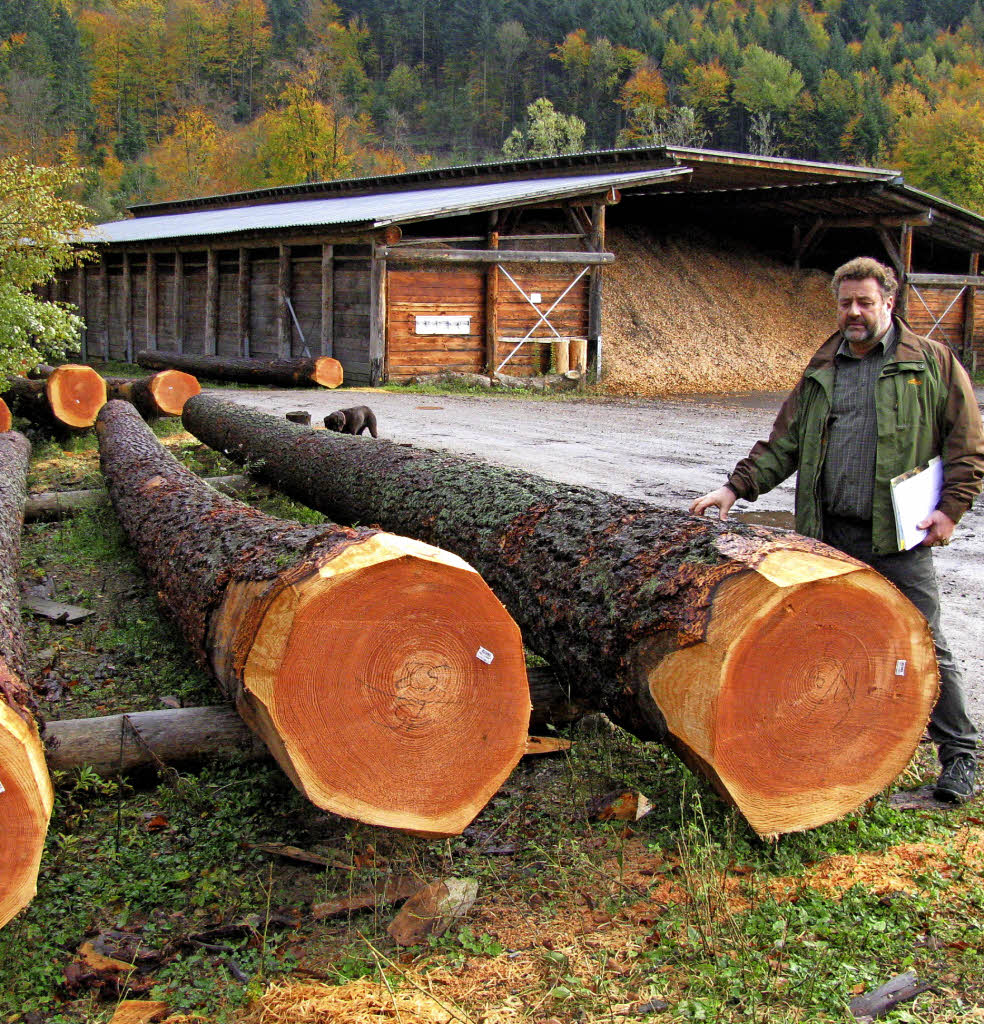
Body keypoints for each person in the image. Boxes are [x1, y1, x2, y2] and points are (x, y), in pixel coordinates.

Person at [690, 256, 984, 803]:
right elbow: (785, 443)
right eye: (845, 302)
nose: (853, 312)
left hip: (900, 536)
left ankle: (959, 757)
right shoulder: (824, 366)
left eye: (864, 302)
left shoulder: (933, 364)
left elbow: (967, 446)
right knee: (830, 644)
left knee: (927, 644)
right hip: (826, 538)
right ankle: (844, 747)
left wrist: (950, 510)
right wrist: (733, 489)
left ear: (889, 303)